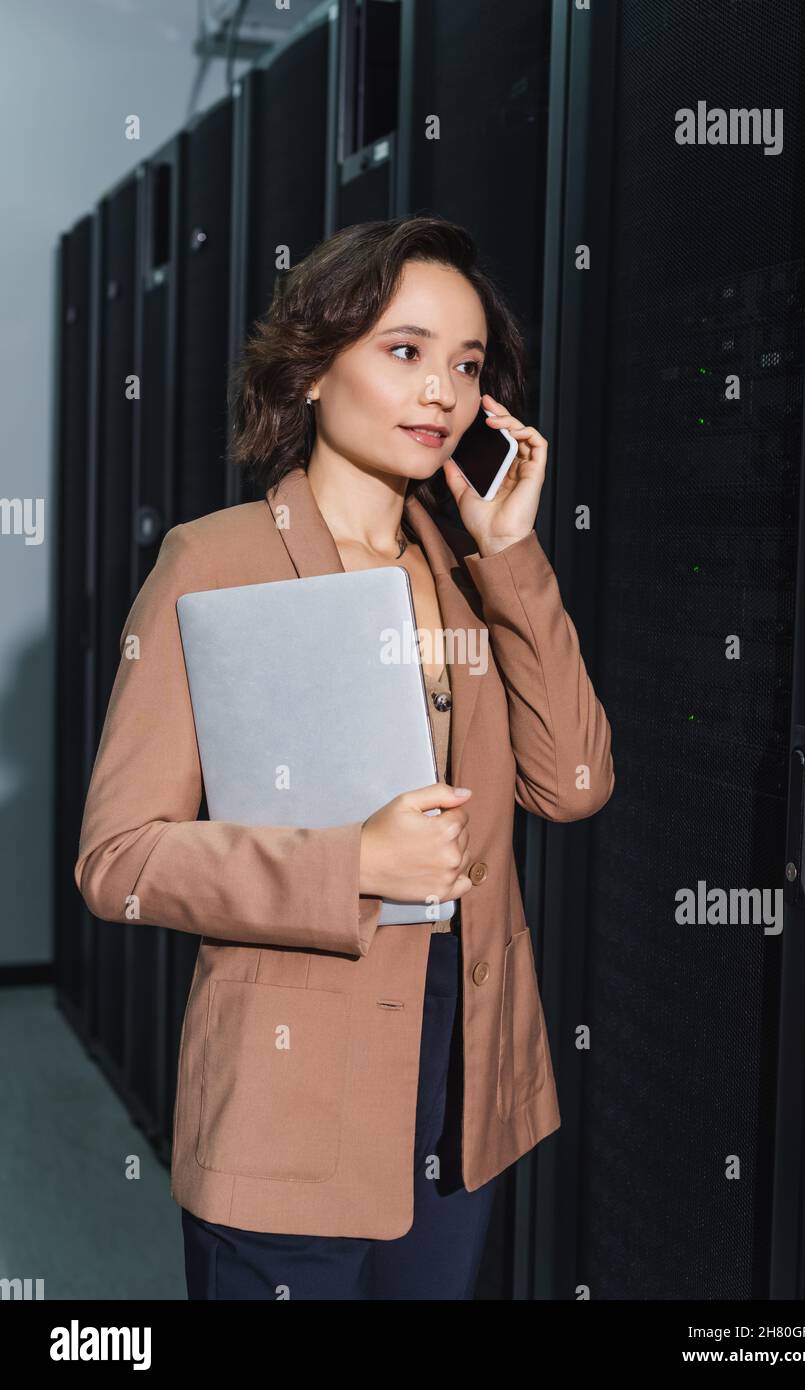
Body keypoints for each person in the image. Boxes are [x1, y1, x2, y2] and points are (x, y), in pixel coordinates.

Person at [75, 215, 615, 1300]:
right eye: (405, 351)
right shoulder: (213, 560)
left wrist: (513, 559)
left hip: (463, 1079)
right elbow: (118, 862)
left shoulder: (475, 567)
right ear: (316, 369)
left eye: (466, 366)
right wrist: (351, 863)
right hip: (289, 1094)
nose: (442, 393)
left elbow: (576, 783)